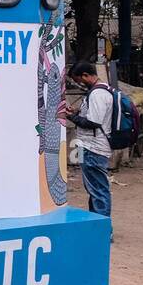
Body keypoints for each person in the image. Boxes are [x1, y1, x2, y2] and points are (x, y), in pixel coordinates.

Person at [57, 60, 113, 219]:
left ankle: (102, 230)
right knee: (94, 189)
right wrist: (77, 111)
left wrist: (71, 117)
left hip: (93, 148)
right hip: (90, 147)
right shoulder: (103, 90)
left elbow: (93, 122)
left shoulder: (97, 94)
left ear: (86, 75)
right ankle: (96, 224)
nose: (79, 84)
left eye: (78, 80)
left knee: (98, 190)